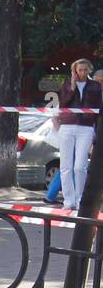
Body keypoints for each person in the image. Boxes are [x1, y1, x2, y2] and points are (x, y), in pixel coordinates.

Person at [59, 58, 102, 213]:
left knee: (79, 167)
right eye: (79, 70)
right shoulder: (66, 84)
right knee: (65, 166)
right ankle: (68, 201)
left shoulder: (95, 86)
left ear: (89, 70)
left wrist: (97, 131)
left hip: (86, 127)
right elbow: (63, 104)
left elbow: (98, 109)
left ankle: (79, 200)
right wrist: (72, 87)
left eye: (85, 69)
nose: (82, 72)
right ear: (74, 71)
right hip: (67, 126)